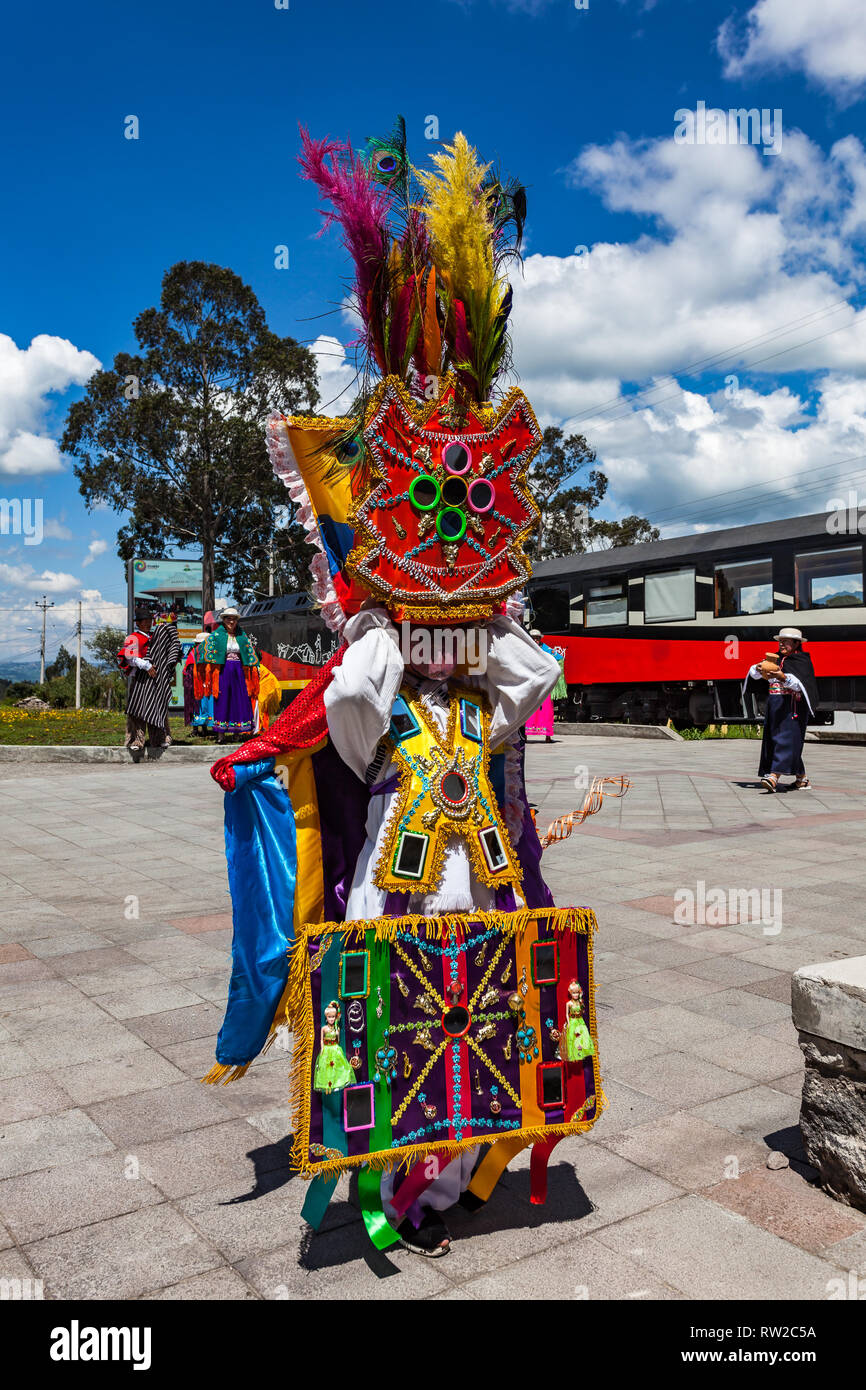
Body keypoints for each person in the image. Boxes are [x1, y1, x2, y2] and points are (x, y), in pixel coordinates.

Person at [744, 627, 819, 792]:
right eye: (780, 641)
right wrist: (757, 669)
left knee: (785, 739)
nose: (782, 644)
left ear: (796, 643)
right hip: (776, 705)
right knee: (779, 739)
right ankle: (802, 779)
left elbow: (801, 685)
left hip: (793, 707)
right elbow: (756, 676)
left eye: (786, 641)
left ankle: (773, 776)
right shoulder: (775, 661)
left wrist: (783, 677)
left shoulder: (802, 661)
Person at [117, 607, 181, 762]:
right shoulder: (133, 637)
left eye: (148, 621)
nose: (147, 624)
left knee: (158, 708)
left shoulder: (156, 636)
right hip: (141, 678)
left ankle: (159, 739)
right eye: (143, 621)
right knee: (138, 710)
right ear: (138, 623)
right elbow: (130, 657)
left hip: (156, 679)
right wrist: (147, 666)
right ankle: (136, 741)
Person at [200, 608, 259, 744]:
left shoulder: (242, 636)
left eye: (234, 619)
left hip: (239, 671)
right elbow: (202, 650)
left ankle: (237, 733)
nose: (231, 621)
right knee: (223, 699)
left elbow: (250, 654)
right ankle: (221, 735)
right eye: (228, 618)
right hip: (223, 671)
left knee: (239, 699)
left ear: (237, 620)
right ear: (224, 620)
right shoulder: (216, 635)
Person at [525, 629, 557, 742]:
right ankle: (525, 735)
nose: (535, 640)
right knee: (527, 709)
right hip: (530, 685)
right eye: (533, 638)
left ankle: (547, 736)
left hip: (544, 684)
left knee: (547, 709)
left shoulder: (546, 649)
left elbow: (559, 658)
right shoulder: (525, 649)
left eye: (537, 638)